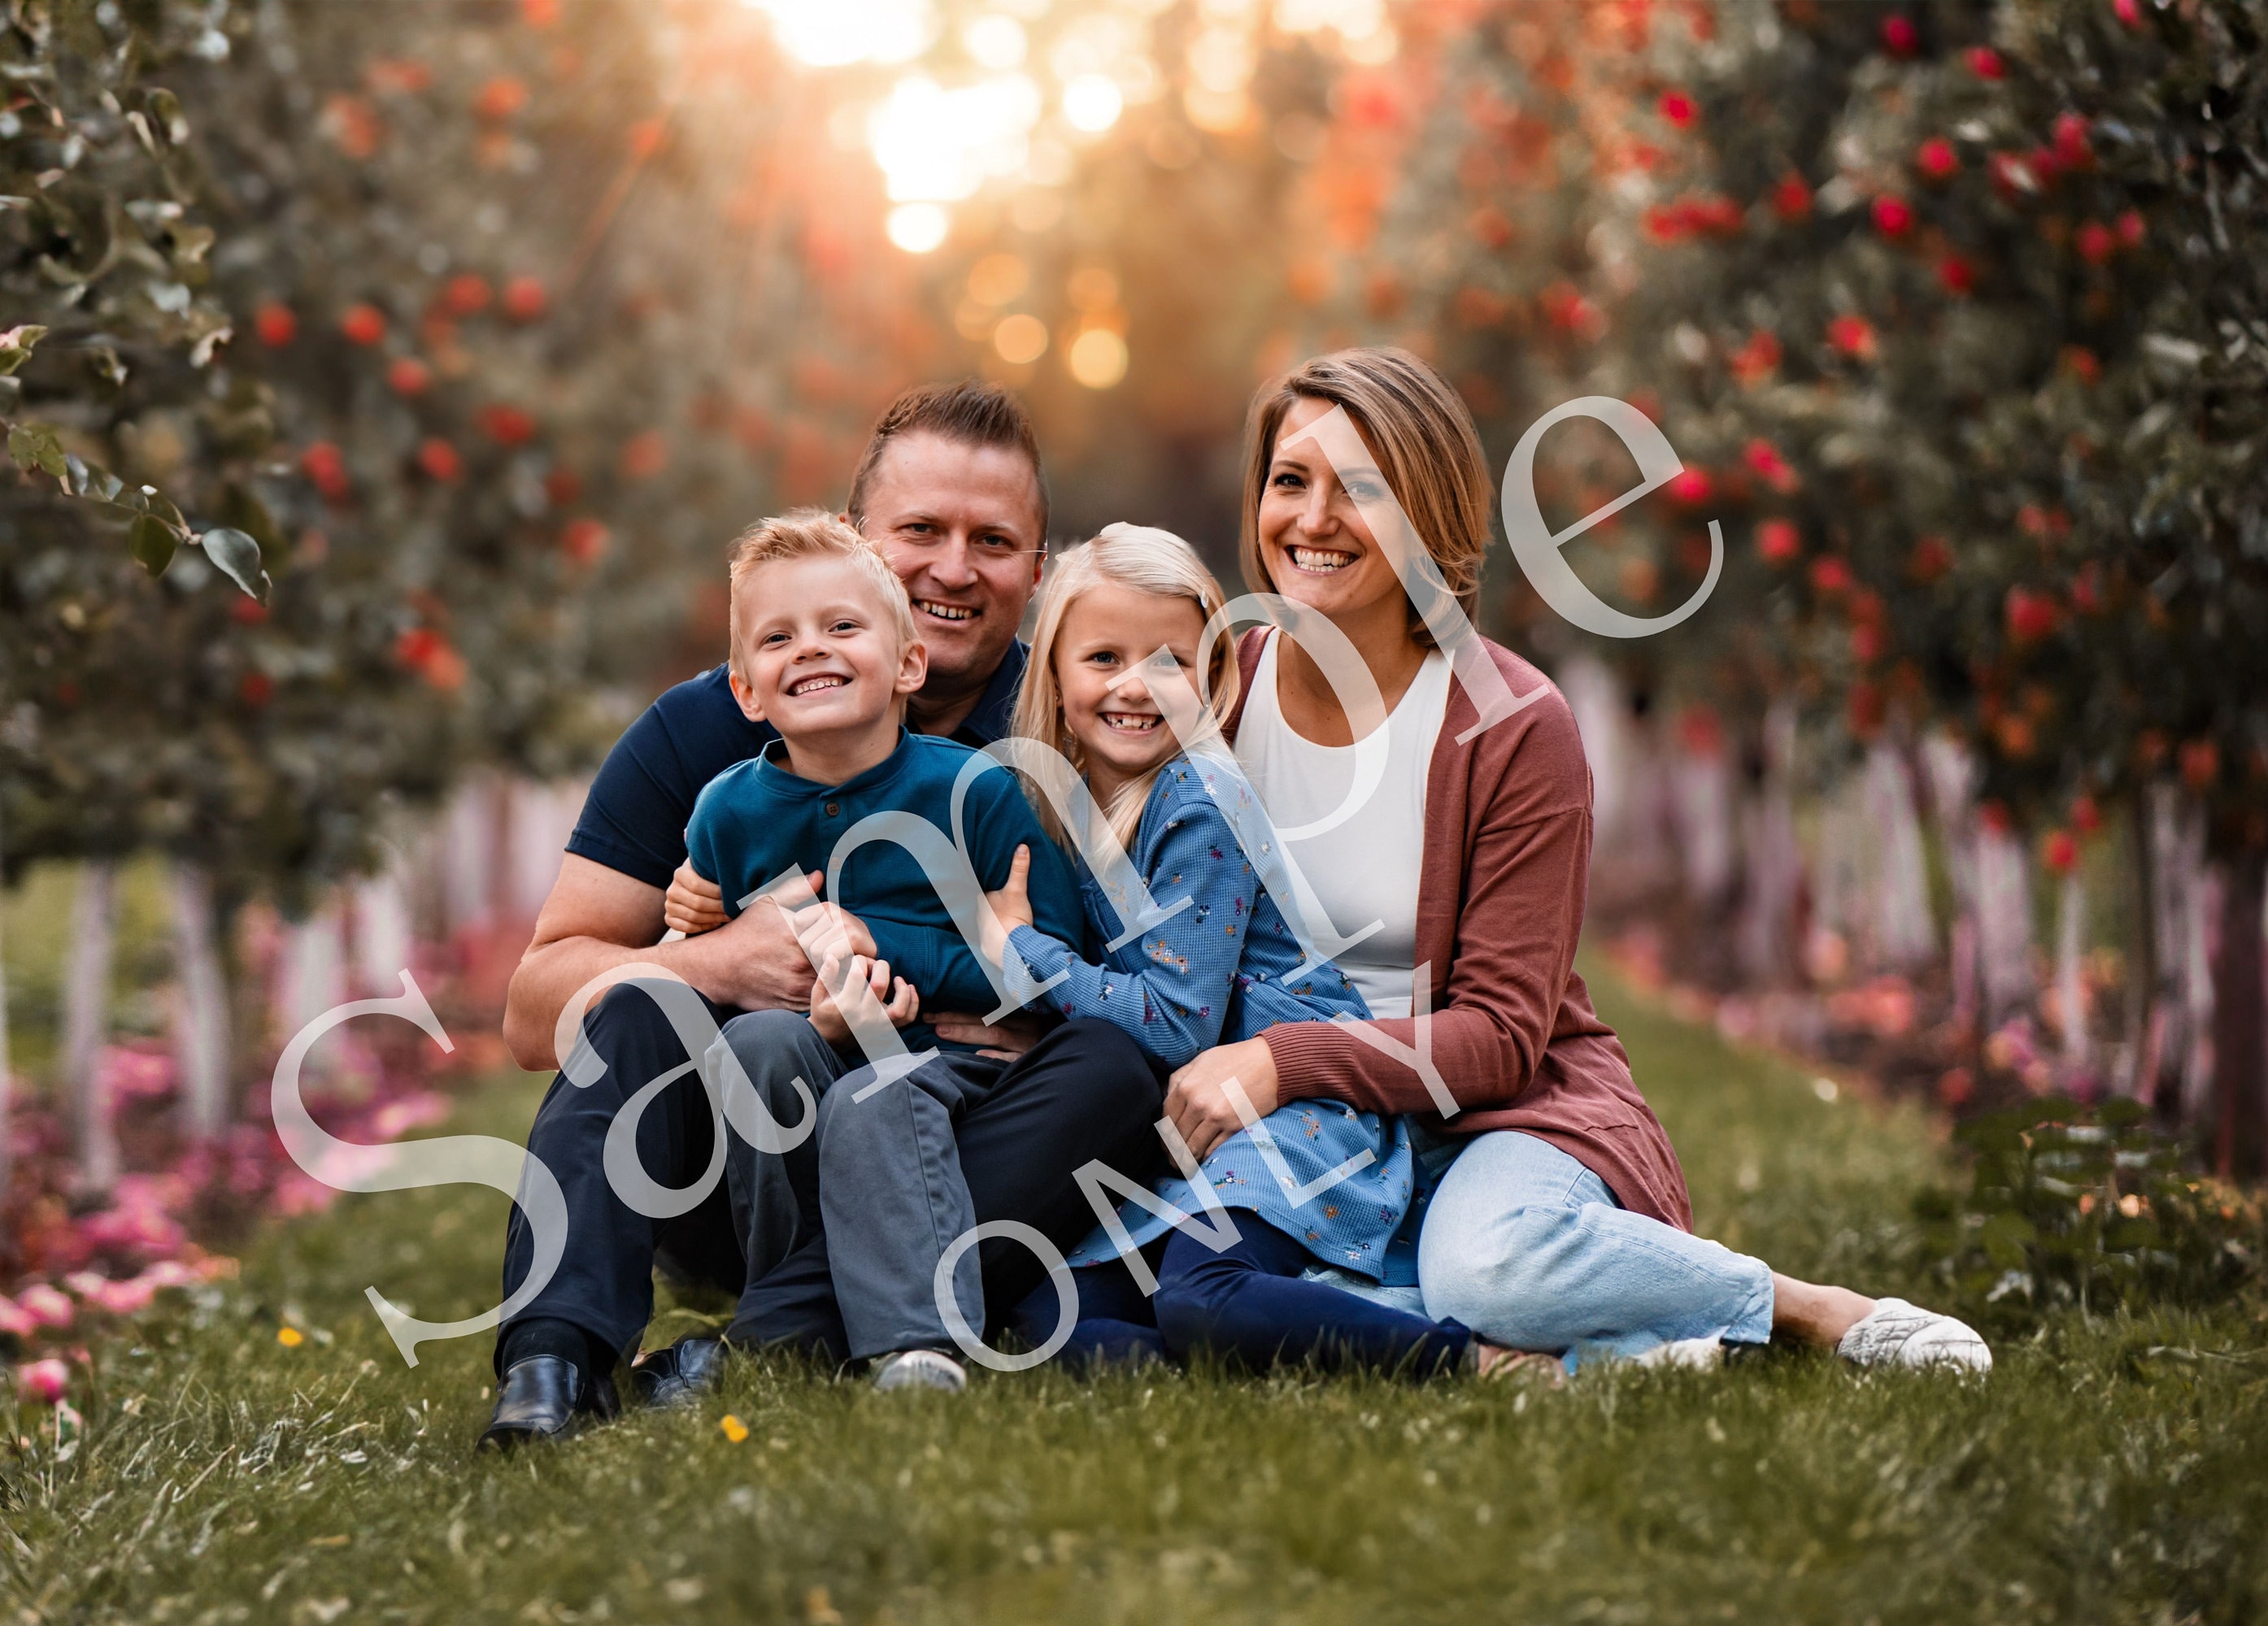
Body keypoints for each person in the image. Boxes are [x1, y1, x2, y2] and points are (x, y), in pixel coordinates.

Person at [1151, 347, 1989, 1379]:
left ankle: (1805, 1309)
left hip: (1491, 1115)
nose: (1312, 519)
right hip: (1305, 1134)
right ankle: (1613, 1349)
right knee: (1182, 1279)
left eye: (1360, 488)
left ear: (1428, 516)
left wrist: (1284, 1059)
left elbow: (1502, 1036)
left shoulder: (1512, 724)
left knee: (1487, 1269)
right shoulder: (1214, 696)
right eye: (1291, 480)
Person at [480, 384, 1164, 1449]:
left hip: (965, 1144)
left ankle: (767, 1340)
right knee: (641, 1003)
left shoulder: (1073, 721)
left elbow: (1122, 980)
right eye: (920, 530)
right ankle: (553, 1360)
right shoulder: (708, 735)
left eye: (992, 541)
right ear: (852, 536)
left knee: (1113, 1067)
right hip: (739, 1161)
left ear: (1037, 571)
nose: (952, 569)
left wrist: (982, 986)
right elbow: (534, 1013)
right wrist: (718, 960)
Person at [973, 524, 1522, 1380]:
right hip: (1193, 1124)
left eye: (1169, 661)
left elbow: (1175, 1023)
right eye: (1104, 658)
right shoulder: (1073, 808)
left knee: (1202, 1296)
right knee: (1045, 1315)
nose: (1135, 685)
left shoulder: (1199, 799)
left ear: (1211, 675)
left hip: (1297, 1109)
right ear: (1052, 673)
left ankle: (1472, 1359)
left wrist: (1023, 954)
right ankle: (1281, 1335)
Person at [677, 511, 1135, 1388]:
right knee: (756, 1045)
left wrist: (889, 950)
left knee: (877, 1095)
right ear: (746, 690)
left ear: (908, 666)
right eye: (778, 637)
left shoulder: (976, 790)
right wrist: (697, 921)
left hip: (962, 1072)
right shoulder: (725, 813)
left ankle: (912, 1345)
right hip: (814, 1052)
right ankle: (788, 1294)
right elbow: (716, 971)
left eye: (842, 626)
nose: (811, 649)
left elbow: (1053, 975)